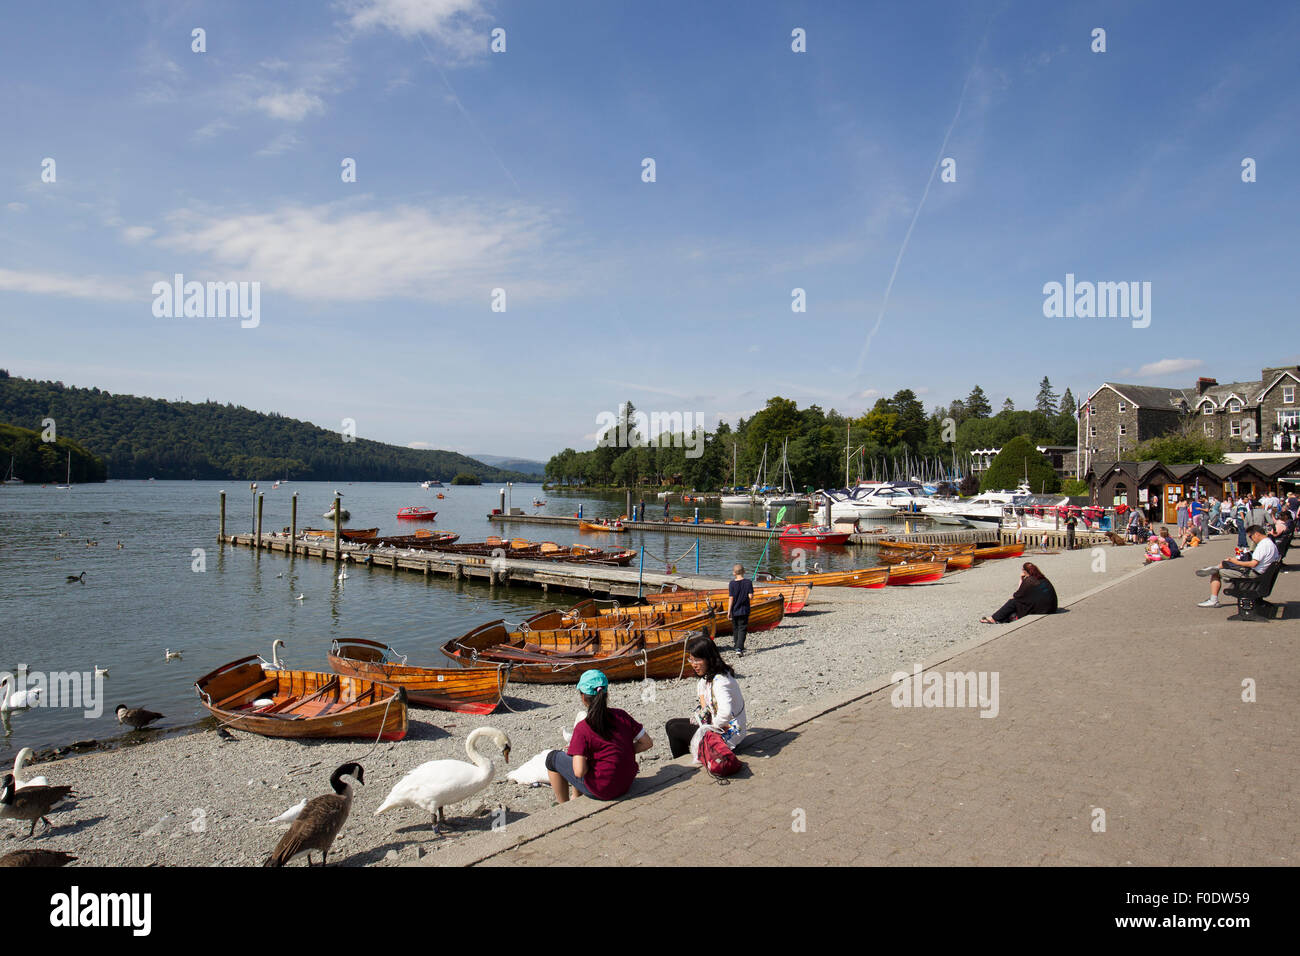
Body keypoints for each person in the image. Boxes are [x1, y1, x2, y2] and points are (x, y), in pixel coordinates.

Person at [546, 670, 652, 803]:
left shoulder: (583, 728)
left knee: (552, 759)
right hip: (626, 783)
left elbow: (579, 772)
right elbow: (647, 742)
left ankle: (564, 805)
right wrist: (620, 751)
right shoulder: (621, 715)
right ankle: (576, 796)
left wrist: (589, 757)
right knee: (580, 755)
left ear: (583, 697)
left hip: (602, 789)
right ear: (606, 694)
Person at [664, 635, 748, 761]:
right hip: (717, 724)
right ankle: (695, 754)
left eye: (697, 660)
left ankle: (691, 760)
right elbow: (702, 696)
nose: (694, 665)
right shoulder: (710, 677)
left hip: (729, 733)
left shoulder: (721, 682)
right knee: (671, 723)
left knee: (674, 729)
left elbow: (725, 714)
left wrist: (710, 728)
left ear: (709, 659)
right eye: (691, 660)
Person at [1196, 525, 1280, 608]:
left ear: (1257, 534)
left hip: (1254, 575)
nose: (1251, 539)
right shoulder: (1270, 543)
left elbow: (1253, 564)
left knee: (1216, 573)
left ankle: (1213, 600)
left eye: (1251, 537)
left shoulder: (1262, 545)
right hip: (1263, 574)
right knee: (1229, 563)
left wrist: (1236, 562)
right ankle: (1218, 567)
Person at [980, 562, 1058, 623]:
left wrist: (1021, 579)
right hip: (1052, 607)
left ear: (1025, 571)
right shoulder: (1042, 578)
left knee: (1013, 602)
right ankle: (1005, 617)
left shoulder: (1029, 581)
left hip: (1044, 610)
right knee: (1020, 601)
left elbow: (1017, 595)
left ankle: (993, 618)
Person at [727, 563, 754, 657]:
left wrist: (729, 611)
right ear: (744, 572)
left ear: (734, 573)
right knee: (742, 629)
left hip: (735, 610)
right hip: (744, 610)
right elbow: (750, 596)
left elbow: (731, 598)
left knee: (735, 628)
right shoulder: (748, 582)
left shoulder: (732, 583)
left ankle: (736, 645)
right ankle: (739, 647)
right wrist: (750, 594)